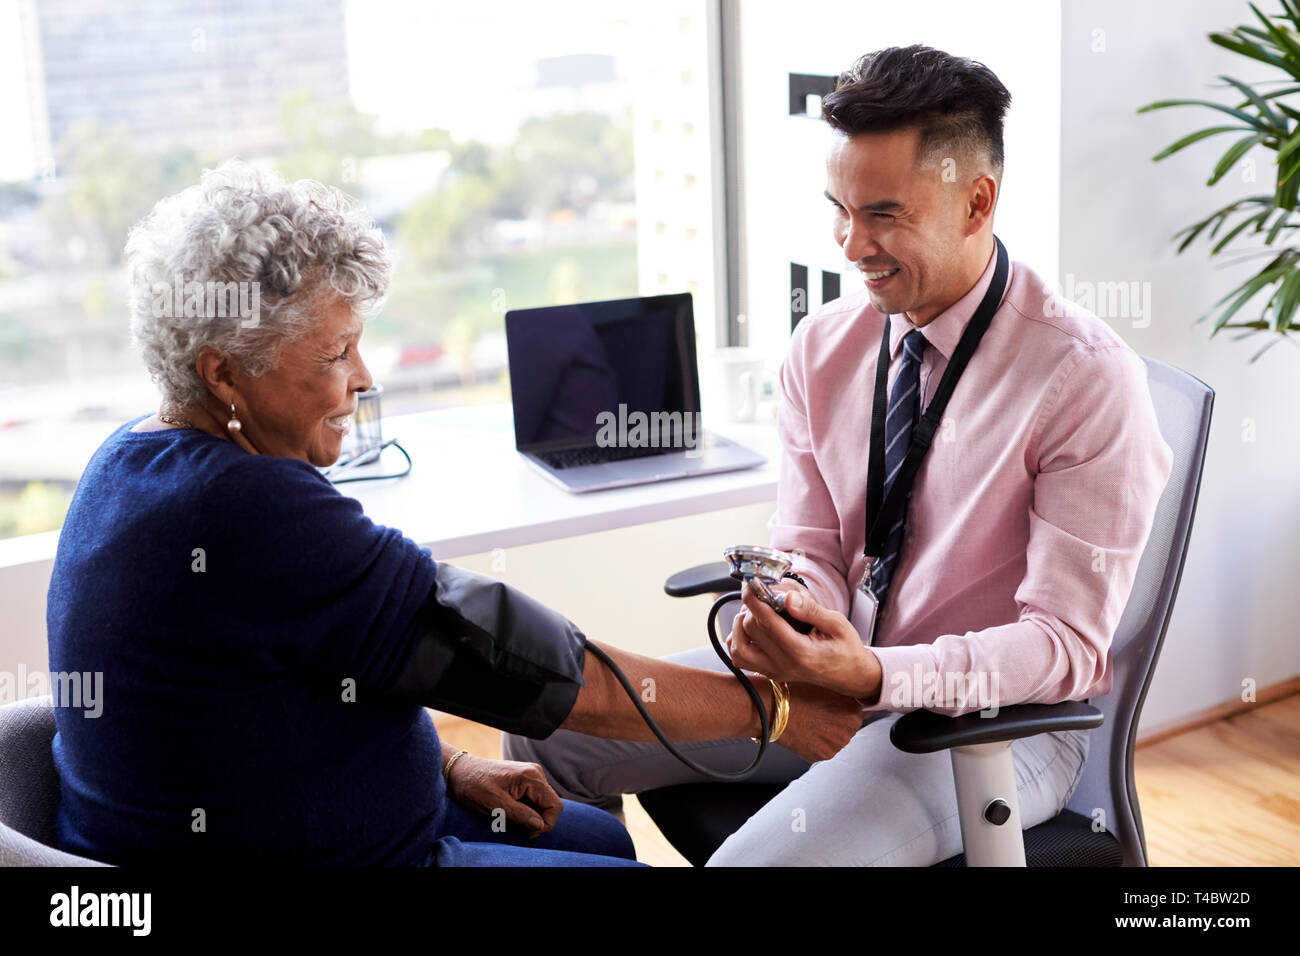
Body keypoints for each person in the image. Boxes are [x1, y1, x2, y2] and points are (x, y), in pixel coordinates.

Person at [45, 159, 863, 868]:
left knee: (602, 840)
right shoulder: (242, 506)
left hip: (308, 818)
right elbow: (517, 659)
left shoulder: (133, 457)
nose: (363, 377)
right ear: (223, 374)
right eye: (335, 354)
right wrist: (774, 710)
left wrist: (446, 765)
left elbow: (322, 660)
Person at [504, 45, 1175, 866]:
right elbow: (813, 547)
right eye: (840, 209)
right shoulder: (822, 347)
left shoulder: (1085, 378)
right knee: (548, 727)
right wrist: (796, 615)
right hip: (838, 685)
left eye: (884, 214)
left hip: (984, 724)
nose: (851, 246)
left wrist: (877, 675)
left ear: (977, 202)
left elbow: (1065, 650)